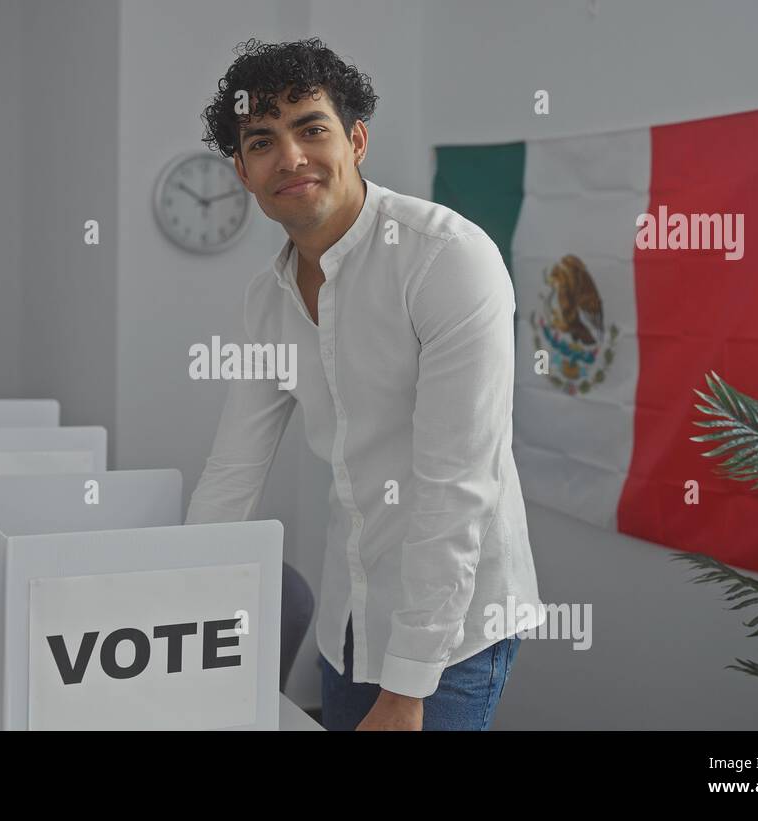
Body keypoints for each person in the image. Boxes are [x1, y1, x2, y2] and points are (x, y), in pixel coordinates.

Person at [187, 37, 543, 730]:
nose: (290, 158)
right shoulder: (268, 299)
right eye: (261, 142)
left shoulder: (447, 260)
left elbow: (455, 488)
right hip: (347, 618)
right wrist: (173, 610)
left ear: (355, 139)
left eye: (311, 129)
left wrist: (407, 688)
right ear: (242, 171)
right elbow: (231, 473)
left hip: (455, 627)